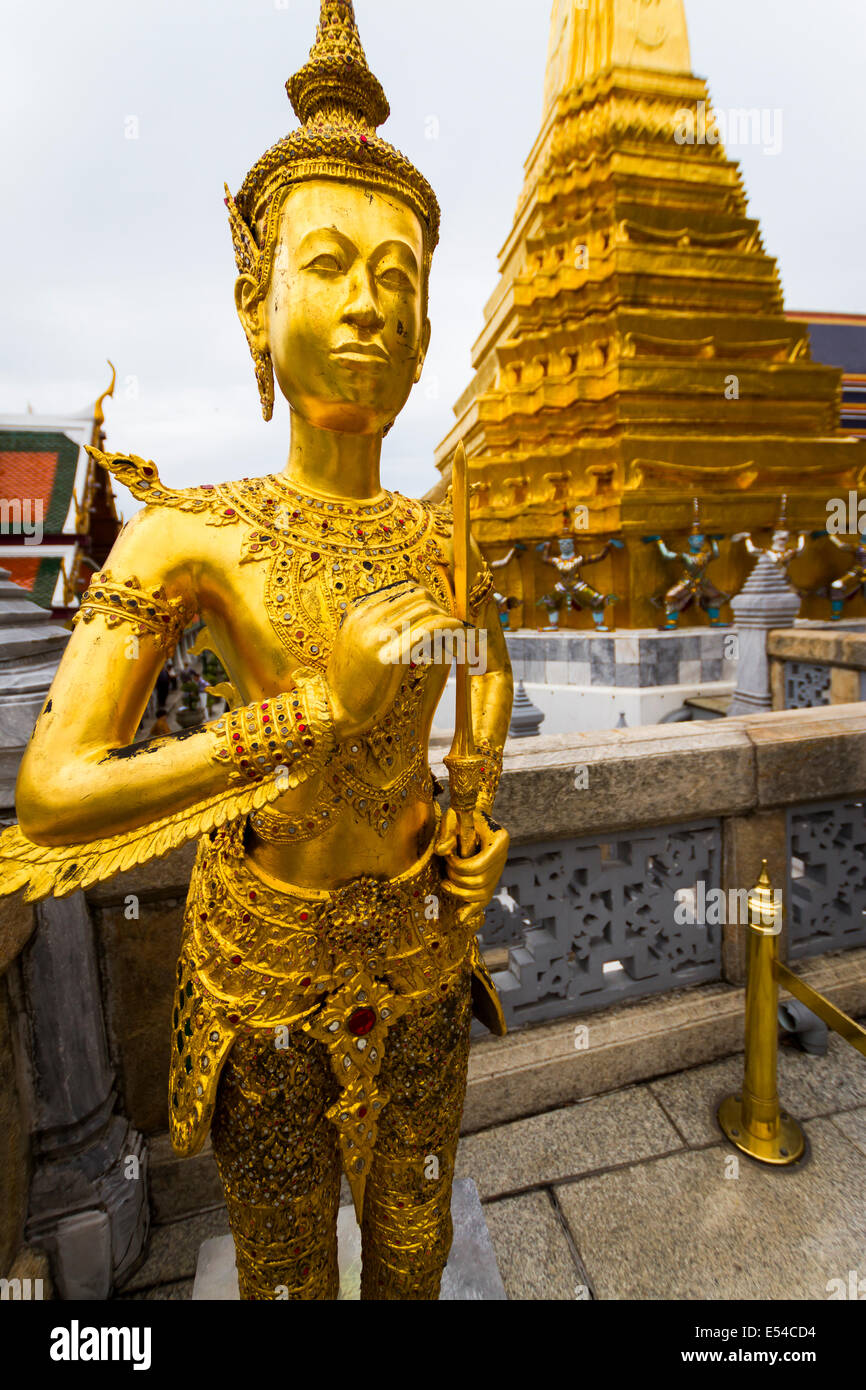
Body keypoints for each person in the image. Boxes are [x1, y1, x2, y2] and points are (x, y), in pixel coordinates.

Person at [1, 1, 512, 1302]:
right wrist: (300, 717)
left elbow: (485, 650)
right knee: (289, 1275)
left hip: (422, 955)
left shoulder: (438, 529)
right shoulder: (190, 534)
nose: (369, 304)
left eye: (399, 278)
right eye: (330, 264)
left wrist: (472, 799)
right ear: (254, 296)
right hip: (265, 976)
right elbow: (54, 790)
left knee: (415, 1241)